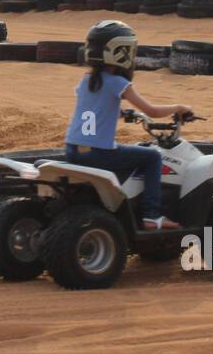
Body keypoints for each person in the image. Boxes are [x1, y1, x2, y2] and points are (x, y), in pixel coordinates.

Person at [64, 20, 194, 230]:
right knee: (152, 157)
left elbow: (94, 109)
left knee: (129, 151)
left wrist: (122, 113)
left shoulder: (87, 80)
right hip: (98, 153)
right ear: (119, 52)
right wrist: (179, 107)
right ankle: (152, 215)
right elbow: (152, 111)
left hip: (73, 150)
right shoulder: (118, 83)